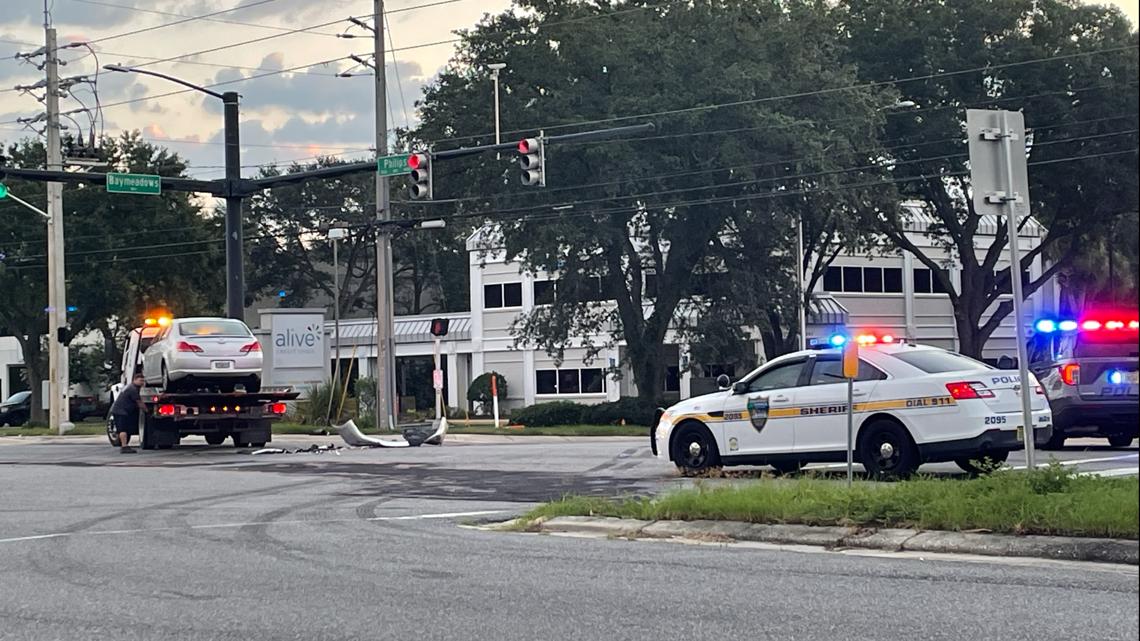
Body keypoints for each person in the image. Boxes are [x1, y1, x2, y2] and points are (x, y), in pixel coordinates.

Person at [111, 373, 146, 453]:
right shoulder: (132, 389)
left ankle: (124, 445)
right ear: (134, 380)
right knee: (123, 429)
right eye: (140, 380)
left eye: (143, 381)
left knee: (124, 429)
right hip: (120, 411)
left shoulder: (130, 387)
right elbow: (139, 402)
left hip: (121, 410)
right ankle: (124, 446)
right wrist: (146, 411)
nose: (142, 382)